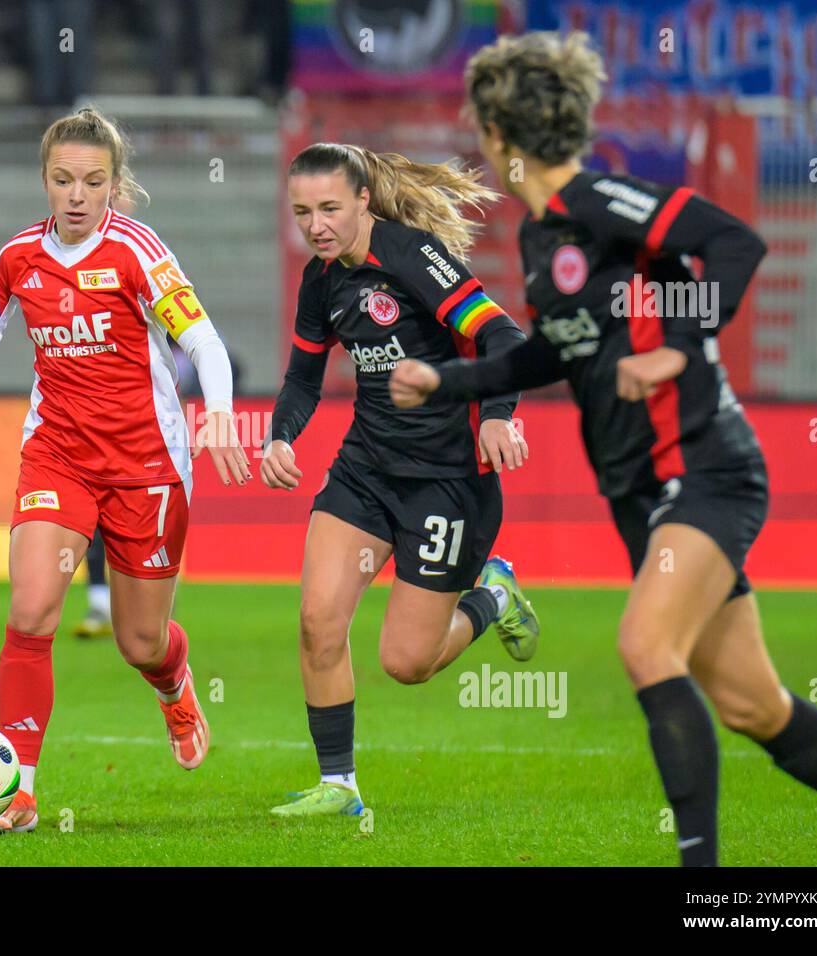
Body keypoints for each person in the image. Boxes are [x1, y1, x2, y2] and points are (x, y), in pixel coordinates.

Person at [391, 30, 817, 864]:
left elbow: (733, 245)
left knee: (645, 646)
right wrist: (449, 384)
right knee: (756, 707)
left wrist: (681, 345)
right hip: (641, 489)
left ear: (499, 135)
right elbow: (554, 351)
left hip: (705, 465)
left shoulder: (598, 201)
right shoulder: (545, 238)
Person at [0, 106, 250, 832]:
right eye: (63, 180)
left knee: (141, 641)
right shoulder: (18, 257)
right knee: (32, 607)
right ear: (44, 180)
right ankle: (18, 790)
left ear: (113, 185)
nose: (77, 195)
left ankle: (173, 682)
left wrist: (220, 411)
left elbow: (203, 340)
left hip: (147, 466)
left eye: (93, 181)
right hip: (59, 455)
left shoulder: (137, 250)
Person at [261, 142, 540, 817]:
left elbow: (502, 338)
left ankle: (493, 598)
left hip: (447, 482)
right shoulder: (321, 280)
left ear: (363, 199)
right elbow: (304, 376)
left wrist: (498, 416)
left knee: (407, 663)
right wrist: (278, 437)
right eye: (303, 212)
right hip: (366, 470)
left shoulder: (413, 255)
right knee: (316, 622)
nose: (317, 225)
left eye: (329, 207)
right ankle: (339, 785)